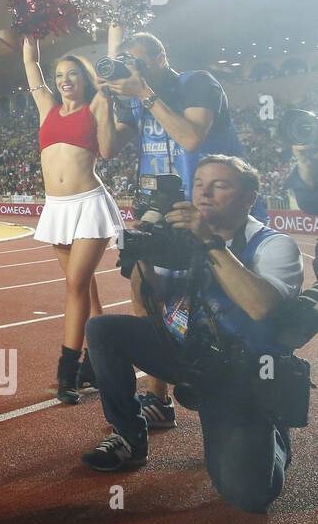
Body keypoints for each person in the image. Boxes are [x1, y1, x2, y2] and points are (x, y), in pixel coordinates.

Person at [80, 156, 304, 513]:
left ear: (249, 198)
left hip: (240, 372)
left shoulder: (273, 245)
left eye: (220, 185)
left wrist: (210, 243)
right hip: (185, 349)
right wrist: (143, 253)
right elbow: (149, 303)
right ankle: (130, 437)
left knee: (248, 495)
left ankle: (272, 431)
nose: (205, 193)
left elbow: (260, 307)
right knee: (103, 329)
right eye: (199, 183)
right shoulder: (177, 239)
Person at [101, 26, 262, 428]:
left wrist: (143, 93)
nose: (132, 70)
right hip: (160, 204)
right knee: (144, 287)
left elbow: (191, 137)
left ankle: (240, 392)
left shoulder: (197, 84)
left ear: (160, 58)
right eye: (128, 64)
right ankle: (158, 399)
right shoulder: (135, 100)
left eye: (139, 62)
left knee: (215, 298)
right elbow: (106, 149)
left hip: (213, 205)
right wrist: (104, 98)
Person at [23, 37, 123, 402]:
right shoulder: (46, 107)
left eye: (73, 74)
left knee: (75, 286)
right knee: (85, 289)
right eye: (60, 75)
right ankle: (98, 363)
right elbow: (31, 68)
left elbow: (112, 62)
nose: (65, 80)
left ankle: (68, 374)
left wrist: (114, 25)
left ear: (86, 79)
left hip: (89, 205)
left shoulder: (97, 104)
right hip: (58, 208)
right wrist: (29, 32)